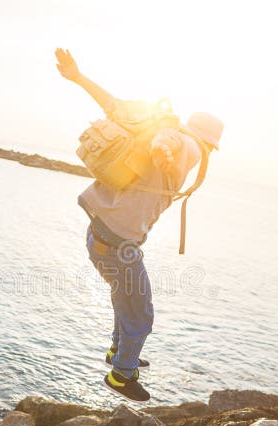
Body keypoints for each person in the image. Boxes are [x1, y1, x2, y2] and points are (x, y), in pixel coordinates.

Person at [55, 48, 224, 402]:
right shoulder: (190, 146)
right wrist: (164, 148)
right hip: (119, 244)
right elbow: (173, 143)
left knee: (124, 296)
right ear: (210, 143)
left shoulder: (153, 125)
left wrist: (78, 76)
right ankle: (121, 375)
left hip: (99, 233)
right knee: (141, 311)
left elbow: (113, 105)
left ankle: (119, 352)